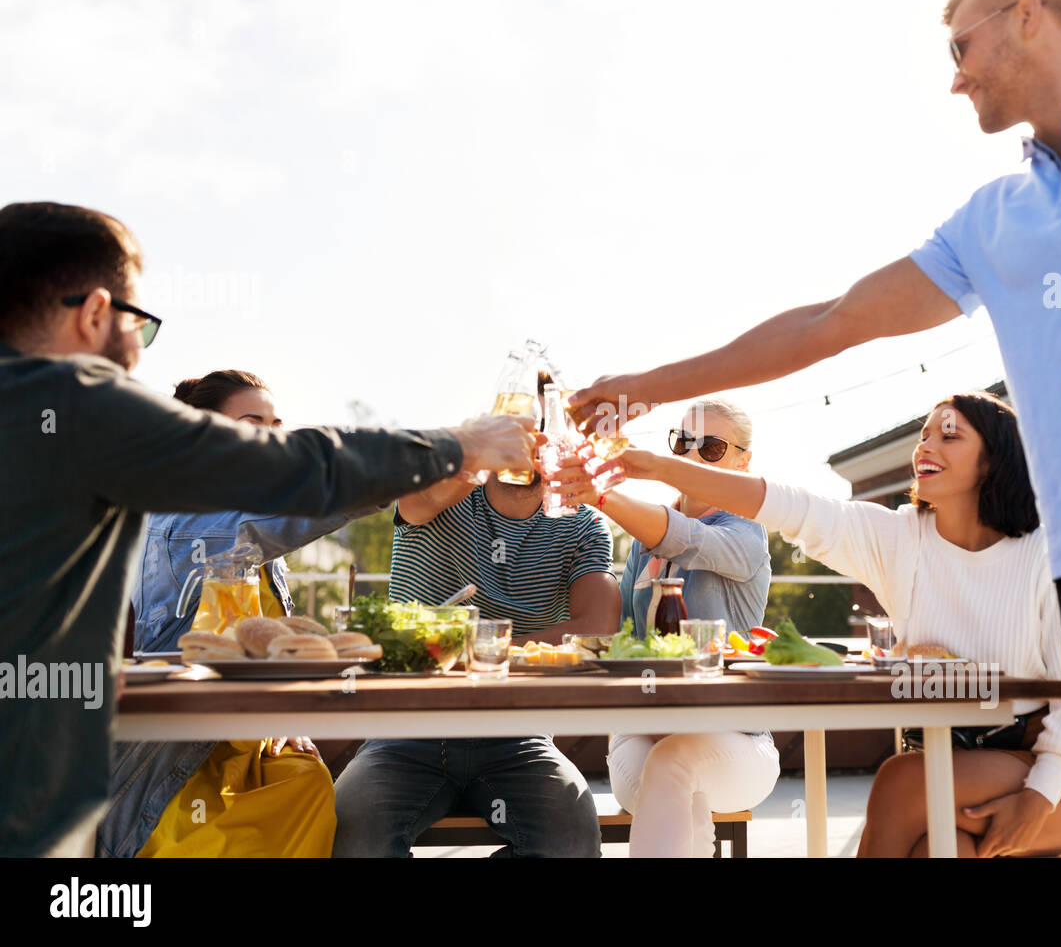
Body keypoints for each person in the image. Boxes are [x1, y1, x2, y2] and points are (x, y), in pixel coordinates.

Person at [569, 0, 1061, 852]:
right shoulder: (994, 220)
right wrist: (646, 386)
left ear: (1026, 10)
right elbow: (828, 322)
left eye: (961, 44)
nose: (955, 79)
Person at [0, 201, 536, 856]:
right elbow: (298, 473)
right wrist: (457, 443)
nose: (138, 351)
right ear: (93, 314)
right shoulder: (77, 400)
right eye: (140, 324)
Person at [568, 392, 1061, 856]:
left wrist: (1040, 795)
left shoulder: (1047, 556)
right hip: (951, 765)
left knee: (901, 780)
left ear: (997, 460)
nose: (926, 445)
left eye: (950, 436)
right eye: (923, 435)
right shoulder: (898, 539)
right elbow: (784, 505)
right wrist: (654, 467)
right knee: (939, 849)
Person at [97, 369, 376, 858]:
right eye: (252, 424)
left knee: (310, 781)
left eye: (277, 425)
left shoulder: (247, 515)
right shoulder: (181, 517)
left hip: (243, 741)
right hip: (174, 757)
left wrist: (278, 711)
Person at [331, 396, 621, 857]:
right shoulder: (443, 491)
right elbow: (418, 499)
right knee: (352, 831)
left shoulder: (581, 525)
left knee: (569, 836)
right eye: (520, 436)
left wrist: (476, 649)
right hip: (407, 728)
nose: (531, 448)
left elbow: (598, 627)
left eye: (543, 439)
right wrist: (479, 455)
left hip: (518, 731)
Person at [547, 399, 777, 857]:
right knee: (676, 777)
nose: (692, 454)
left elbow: (689, 540)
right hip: (642, 736)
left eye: (710, 447)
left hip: (734, 738)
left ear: (742, 461)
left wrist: (600, 495)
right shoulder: (642, 540)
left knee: (677, 763)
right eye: (682, 441)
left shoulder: (747, 534)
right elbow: (625, 640)